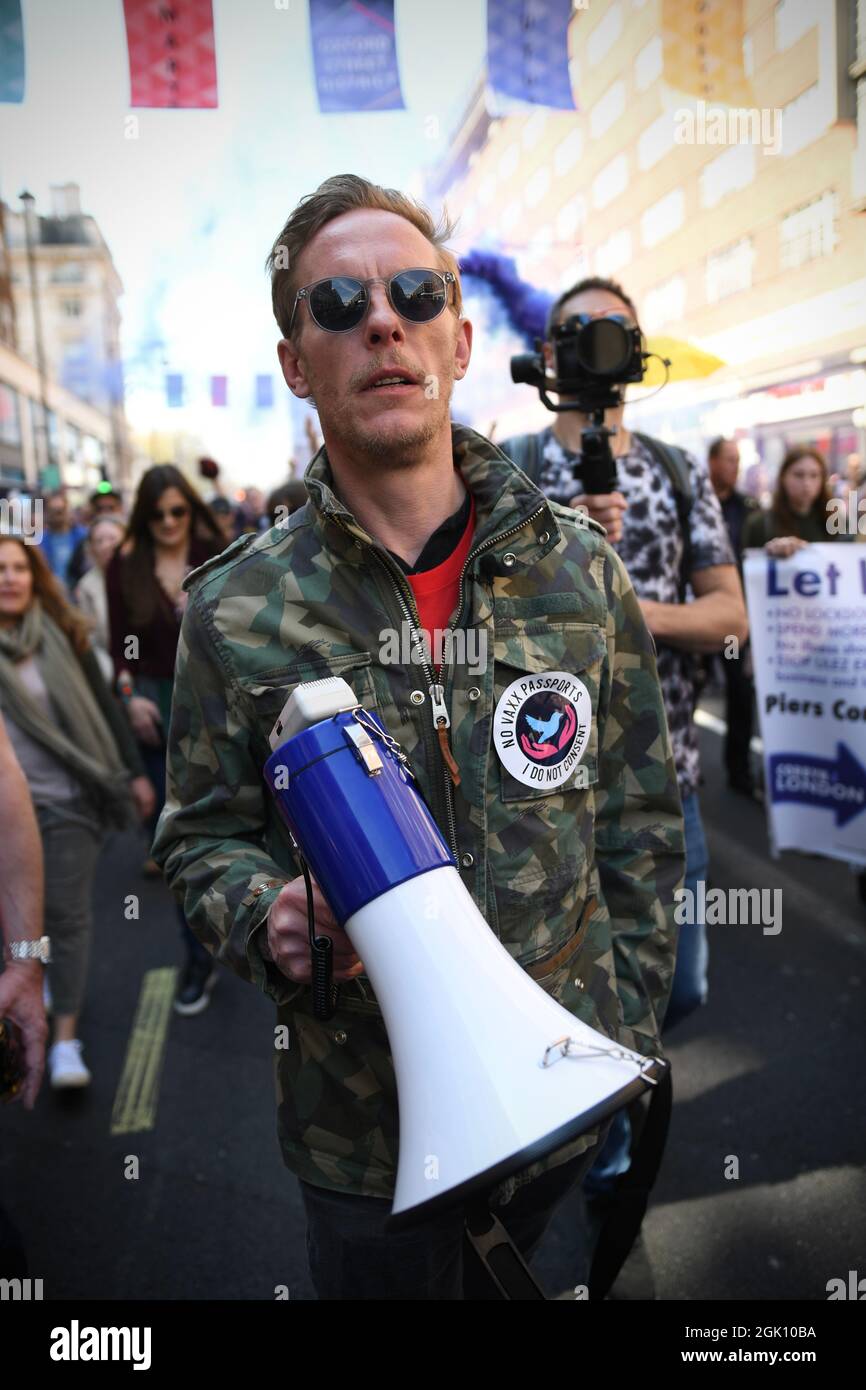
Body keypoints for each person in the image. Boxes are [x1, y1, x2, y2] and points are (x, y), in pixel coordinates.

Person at [151, 174, 685, 1301]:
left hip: (563, 1103)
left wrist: (620, 1020)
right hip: (365, 1143)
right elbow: (199, 838)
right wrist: (263, 914)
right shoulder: (235, 608)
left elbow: (639, 819)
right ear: (297, 361)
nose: (380, 320)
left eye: (412, 291)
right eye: (336, 301)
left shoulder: (577, 569)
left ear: (458, 334)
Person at [500, 277, 748, 1033]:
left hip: (664, 787)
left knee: (679, 984)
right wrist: (559, 552)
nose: (604, 342)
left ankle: (621, 1097)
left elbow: (729, 615)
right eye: (585, 330)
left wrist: (625, 608)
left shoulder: (677, 472)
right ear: (548, 354)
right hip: (534, 791)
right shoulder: (504, 471)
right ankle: (600, 1145)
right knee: (549, 996)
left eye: (619, 329)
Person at [0, 534, 155, 1087]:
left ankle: (65, 1036)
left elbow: (106, 708)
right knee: (23, 925)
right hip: (8, 818)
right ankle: (31, 972)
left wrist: (134, 771)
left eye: (19, 568)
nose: (9, 578)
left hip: (69, 804)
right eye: (0, 569)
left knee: (65, 919)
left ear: (35, 577)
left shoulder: (61, 632)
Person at [105, 466, 226, 1015]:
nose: (170, 522)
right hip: (157, 707)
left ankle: (252, 932)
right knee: (175, 840)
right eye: (158, 514)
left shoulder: (217, 551)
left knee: (235, 826)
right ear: (143, 516)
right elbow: (120, 647)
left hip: (218, 703)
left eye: (178, 510)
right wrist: (130, 696)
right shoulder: (124, 567)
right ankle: (196, 958)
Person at [707, 437, 761, 796]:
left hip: (733, 625)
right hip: (695, 614)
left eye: (738, 460)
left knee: (740, 691)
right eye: (728, 459)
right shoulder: (695, 503)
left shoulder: (749, 509)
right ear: (711, 462)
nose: (734, 467)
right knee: (686, 685)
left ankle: (738, 769)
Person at [742, 445, 839, 556]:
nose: (806, 483)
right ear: (783, 477)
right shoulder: (759, 525)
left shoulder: (837, 522)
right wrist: (769, 551)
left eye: (814, 475)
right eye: (799, 475)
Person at [73, 515, 126, 684]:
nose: (106, 546)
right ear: (91, 549)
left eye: (112, 539)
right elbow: (92, 641)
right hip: (113, 672)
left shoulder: (142, 575)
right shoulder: (86, 587)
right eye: (99, 541)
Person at [37, 491, 88, 591]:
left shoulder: (84, 536)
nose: (58, 515)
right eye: (53, 511)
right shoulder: (38, 542)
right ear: (46, 513)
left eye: (61, 511)